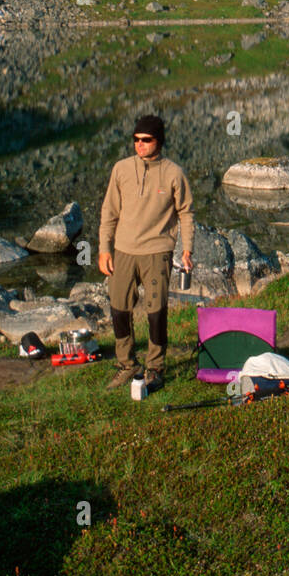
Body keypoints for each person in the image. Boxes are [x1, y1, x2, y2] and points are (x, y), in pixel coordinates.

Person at [98, 114, 194, 391]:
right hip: (123, 250)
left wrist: (187, 249)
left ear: (158, 141)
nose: (139, 145)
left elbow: (186, 213)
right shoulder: (121, 169)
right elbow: (109, 212)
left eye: (146, 140)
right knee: (118, 309)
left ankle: (155, 368)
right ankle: (127, 364)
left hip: (157, 251)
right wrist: (104, 249)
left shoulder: (174, 173)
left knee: (156, 312)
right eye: (136, 140)